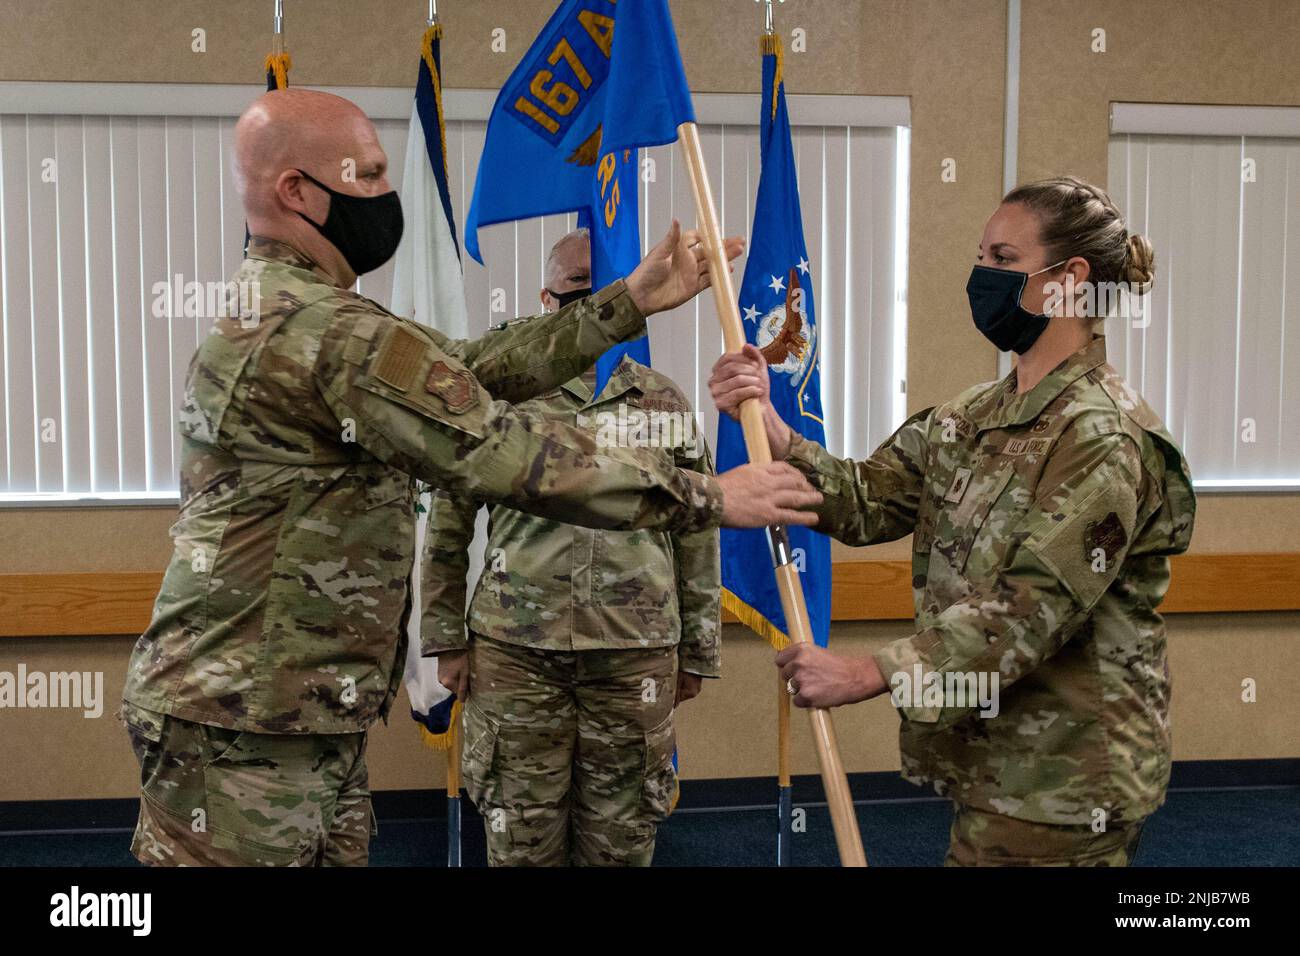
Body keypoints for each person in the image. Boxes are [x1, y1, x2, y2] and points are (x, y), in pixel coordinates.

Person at [120, 88, 821, 867]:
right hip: (244, 716)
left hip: (286, 705)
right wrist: (709, 497)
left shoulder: (321, 313)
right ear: (296, 191)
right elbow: (494, 447)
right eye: (372, 175)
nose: (387, 197)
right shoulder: (317, 329)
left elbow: (466, 372)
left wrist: (626, 305)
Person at [709, 176, 1196, 867]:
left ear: (1070, 280)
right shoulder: (971, 416)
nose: (982, 277)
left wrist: (865, 674)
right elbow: (868, 499)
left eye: (1003, 259)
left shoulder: (1101, 435)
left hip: (1064, 779)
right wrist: (777, 433)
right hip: (990, 763)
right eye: (982, 257)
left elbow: (1031, 609)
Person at [423, 229, 719, 866]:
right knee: (520, 838)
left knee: (622, 841)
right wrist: (444, 636)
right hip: (516, 654)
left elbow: (697, 529)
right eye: (578, 290)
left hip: (633, 655)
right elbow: (447, 516)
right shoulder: (503, 394)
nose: (594, 302)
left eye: (606, 288)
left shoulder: (662, 401)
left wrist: (697, 648)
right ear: (546, 298)